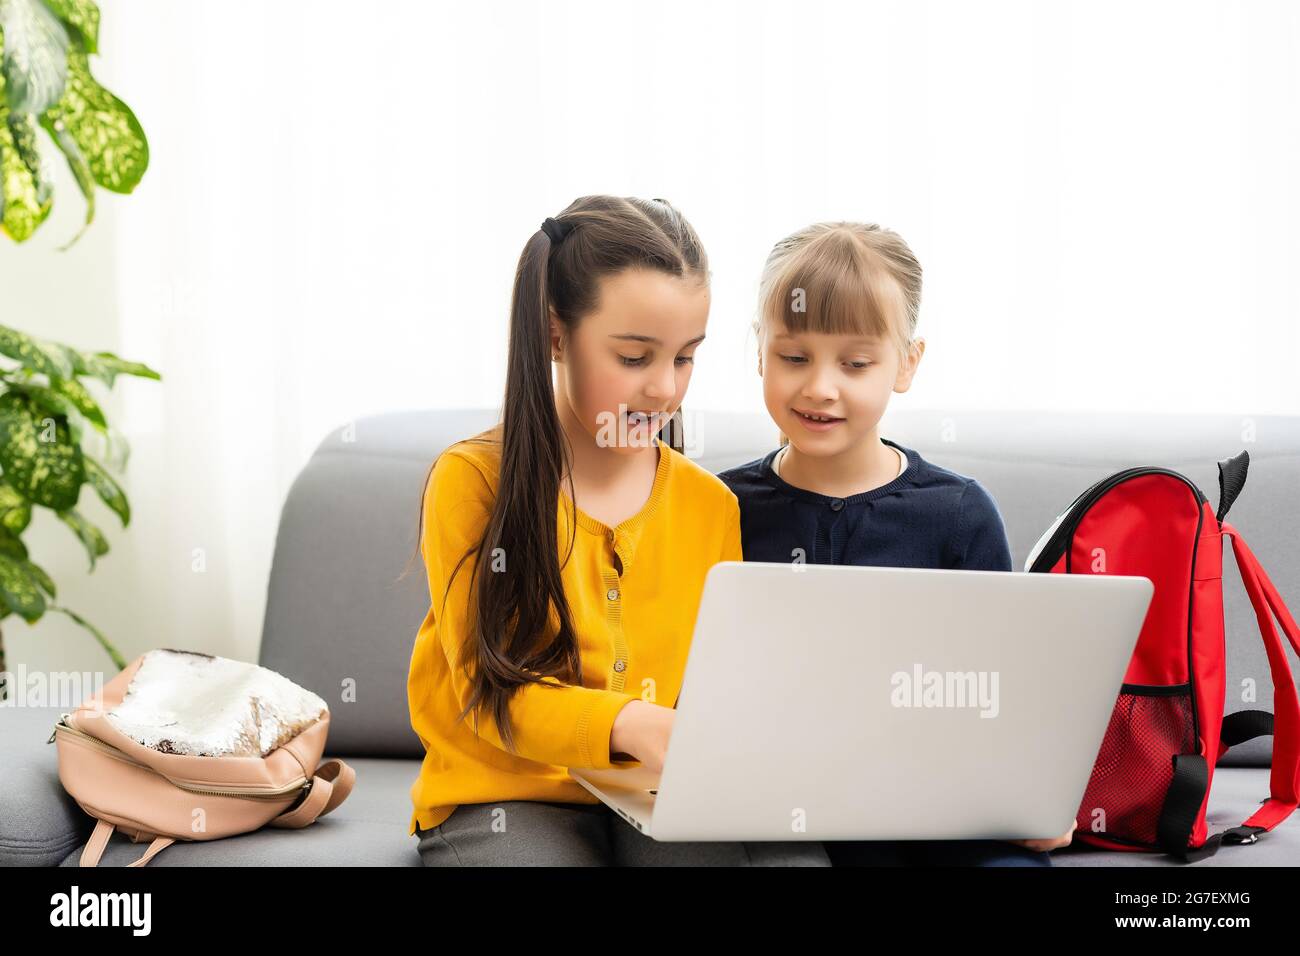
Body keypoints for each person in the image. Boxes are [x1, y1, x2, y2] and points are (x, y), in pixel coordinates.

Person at [404, 195, 829, 866]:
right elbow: (492, 699)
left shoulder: (709, 506)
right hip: (508, 793)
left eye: (685, 358)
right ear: (554, 334)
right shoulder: (472, 482)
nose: (665, 388)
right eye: (634, 358)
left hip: (655, 790)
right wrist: (631, 724)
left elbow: (713, 687)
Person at [718, 220, 1077, 866]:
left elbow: (1000, 692)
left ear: (906, 363)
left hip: (933, 813)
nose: (821, 387)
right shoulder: (719, 508)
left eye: (856, 364)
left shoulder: (958, 514)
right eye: (794, 357)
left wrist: (1028, 794)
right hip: (777, 806)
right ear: (759, 352)